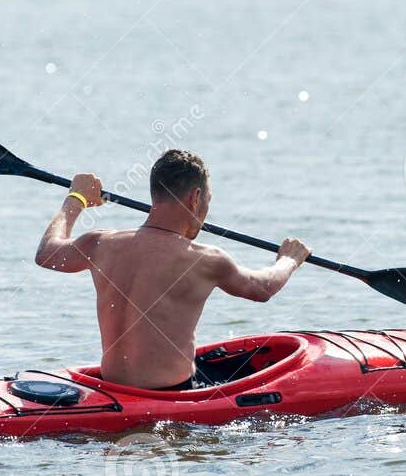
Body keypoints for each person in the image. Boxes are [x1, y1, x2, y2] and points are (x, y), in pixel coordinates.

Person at [35, 149, 310, 390]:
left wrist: (77, 198)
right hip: (172, 397)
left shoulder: (99, 244)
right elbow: (262, 289)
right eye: (207, 202)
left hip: (112, 388)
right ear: (196, 197)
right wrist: (289, 259)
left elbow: (47, 254)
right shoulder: (206, 259)